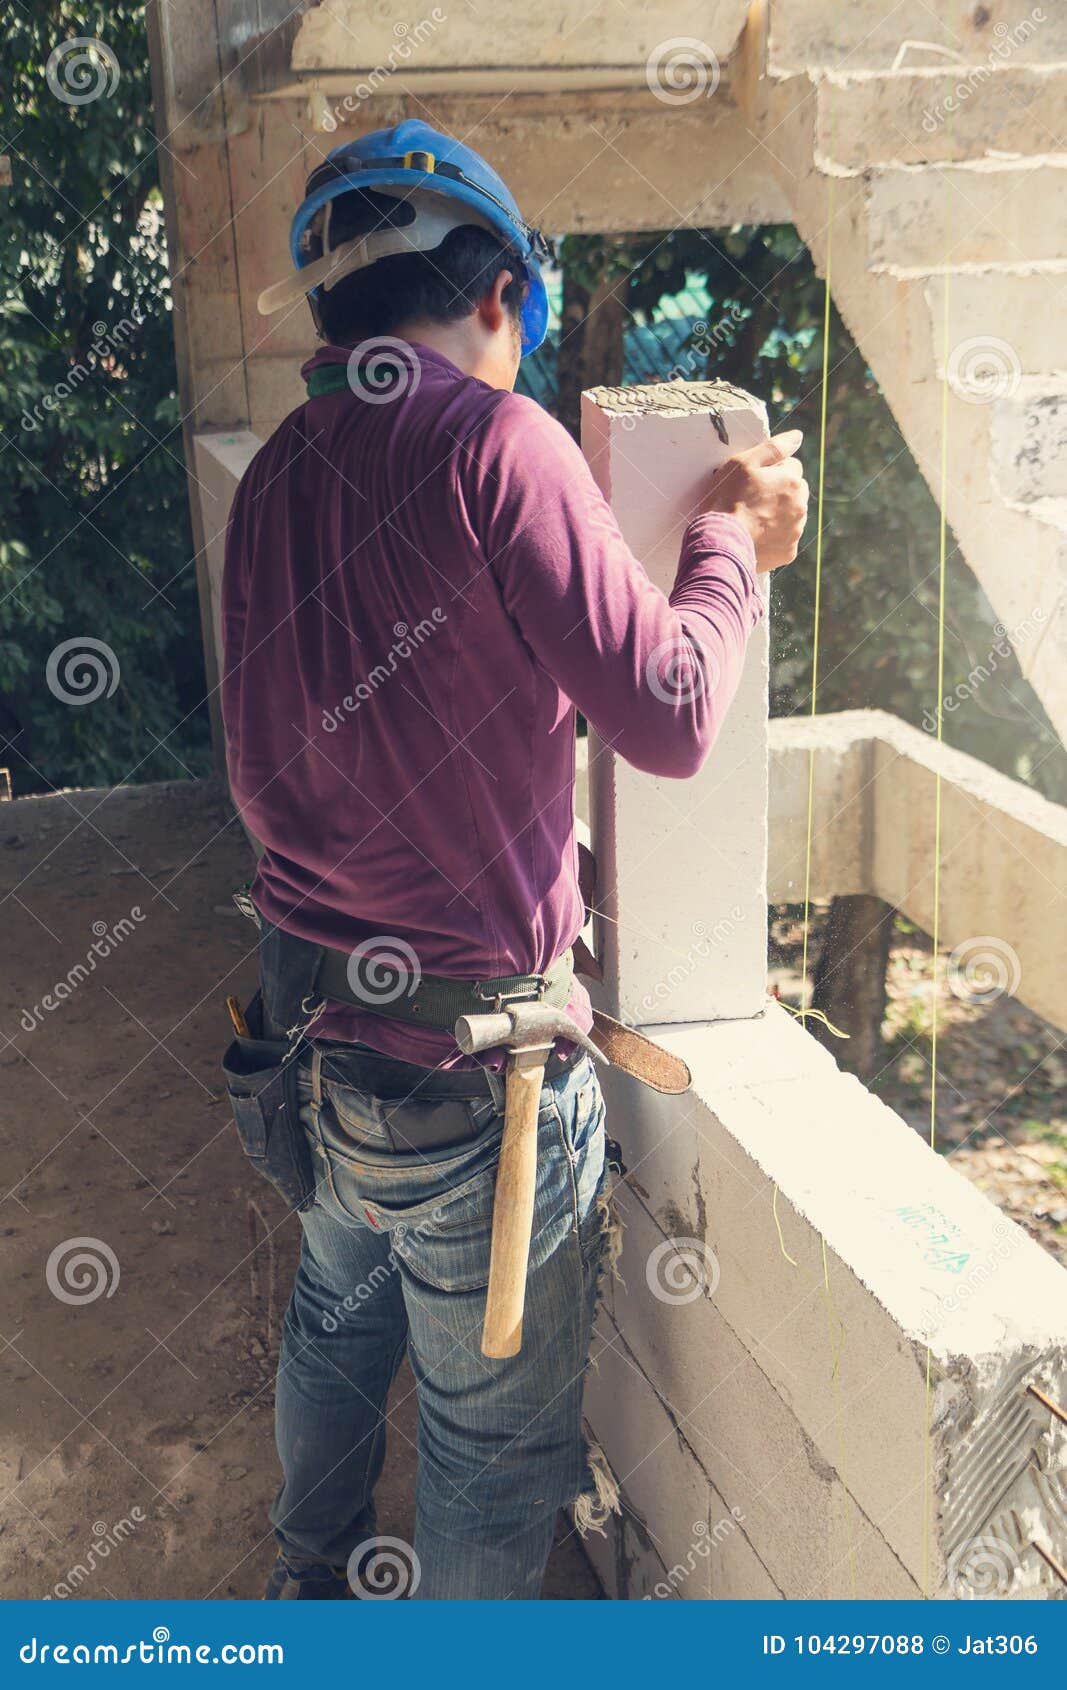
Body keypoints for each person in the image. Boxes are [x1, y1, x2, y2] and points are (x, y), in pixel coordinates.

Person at [221, 119, 808, 1601]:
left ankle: (308, 1587)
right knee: (489, 1461)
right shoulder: (501, 444)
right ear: (499, 297)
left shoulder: (281, 474)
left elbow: (272, 757)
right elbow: (672, 712)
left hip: (317, 1043)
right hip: (482, 1080)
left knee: (335, 1329)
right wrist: (732, 539)